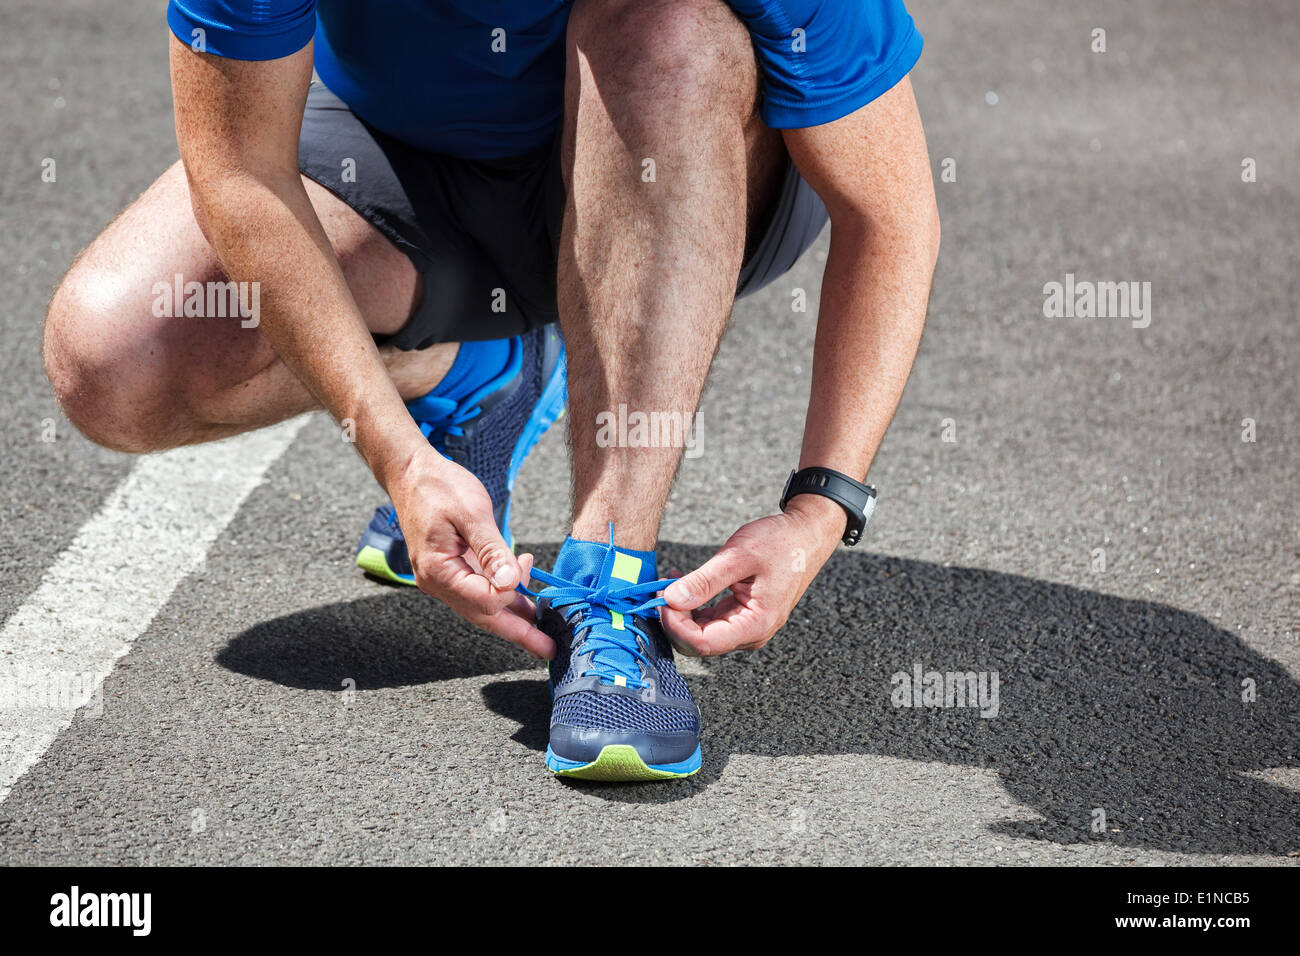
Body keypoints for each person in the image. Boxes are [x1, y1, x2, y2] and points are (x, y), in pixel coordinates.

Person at [43, 0, 940, 781]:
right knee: (115, 361)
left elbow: (890, 214)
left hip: (681, 151)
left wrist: (820, 510)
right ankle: (477, 372)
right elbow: (240, 176)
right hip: (408, 164)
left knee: (668, 31)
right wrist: (399, 455)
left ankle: (610, 579)